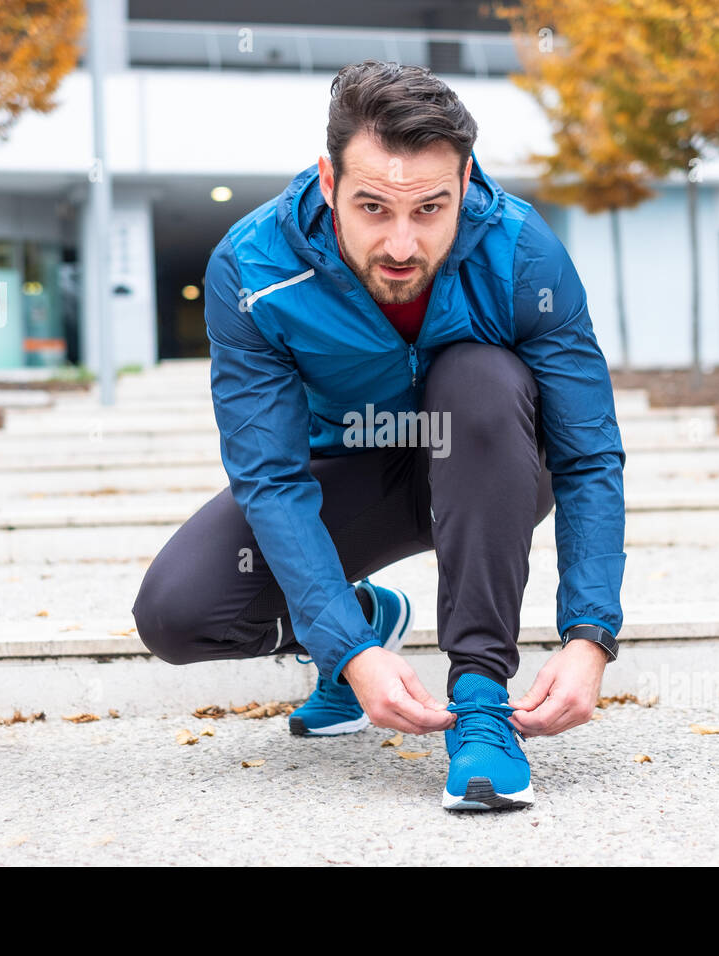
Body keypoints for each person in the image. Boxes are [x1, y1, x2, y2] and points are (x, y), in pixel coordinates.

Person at [131, 59, 627, 811]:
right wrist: (349, 647)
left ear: (465, 184)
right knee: (179, 615)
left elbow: (588, 454)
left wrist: (590, 634)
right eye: (373, 207)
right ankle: (367, 618)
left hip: (493, 460)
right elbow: (270, 477)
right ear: (328, 182)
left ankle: (482, 706)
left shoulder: (522, 252)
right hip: (351, 470)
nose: (401, 244)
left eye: (429, 209)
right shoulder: (253, 267)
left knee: (479, 375)